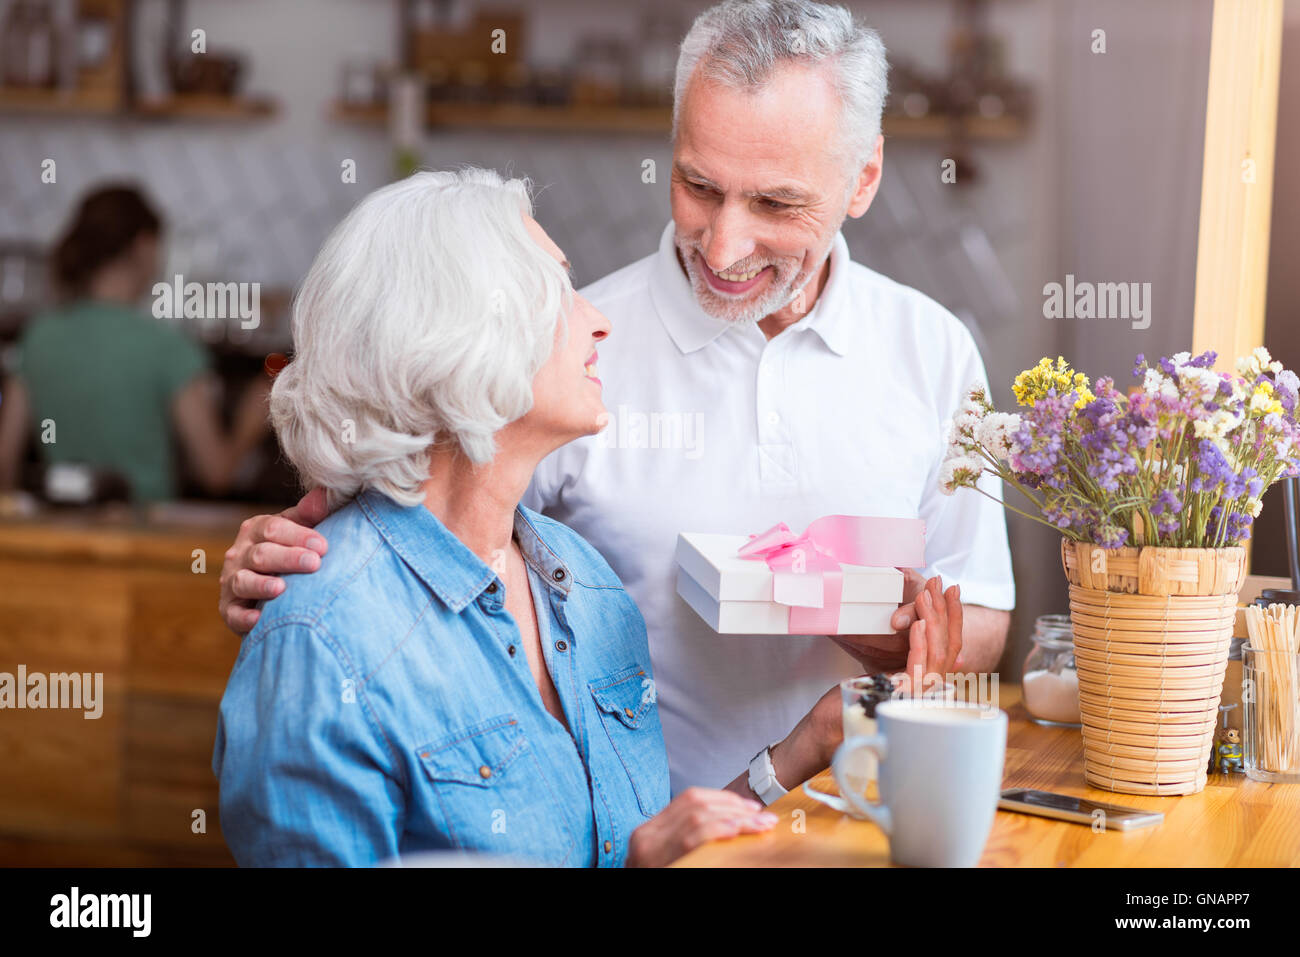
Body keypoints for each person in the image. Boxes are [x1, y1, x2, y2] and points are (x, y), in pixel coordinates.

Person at [216, 0, 1007, 798]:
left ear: (863, 177)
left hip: (874, 824)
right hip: (633, 840)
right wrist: (293, 574)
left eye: (775, 204)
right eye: (698, 185)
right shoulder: (565, 357)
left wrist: (889, 633)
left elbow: (986, 620)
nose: (724, 247)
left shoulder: (935, 352)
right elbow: (411, 546)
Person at [214, 169, 954, 866]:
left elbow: (630, 854)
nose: (599, 321)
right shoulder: (320, 642)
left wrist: (805, 745)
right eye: (559, 291)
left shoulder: (586, 586)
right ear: (456, 336)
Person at [0, 184, 268, 501]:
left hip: (64, 535)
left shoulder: (39, 337)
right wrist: (253, 418)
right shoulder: (166, 347)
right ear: (144, 246)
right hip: (143, 539)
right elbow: (216, 472)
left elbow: (5, 466)